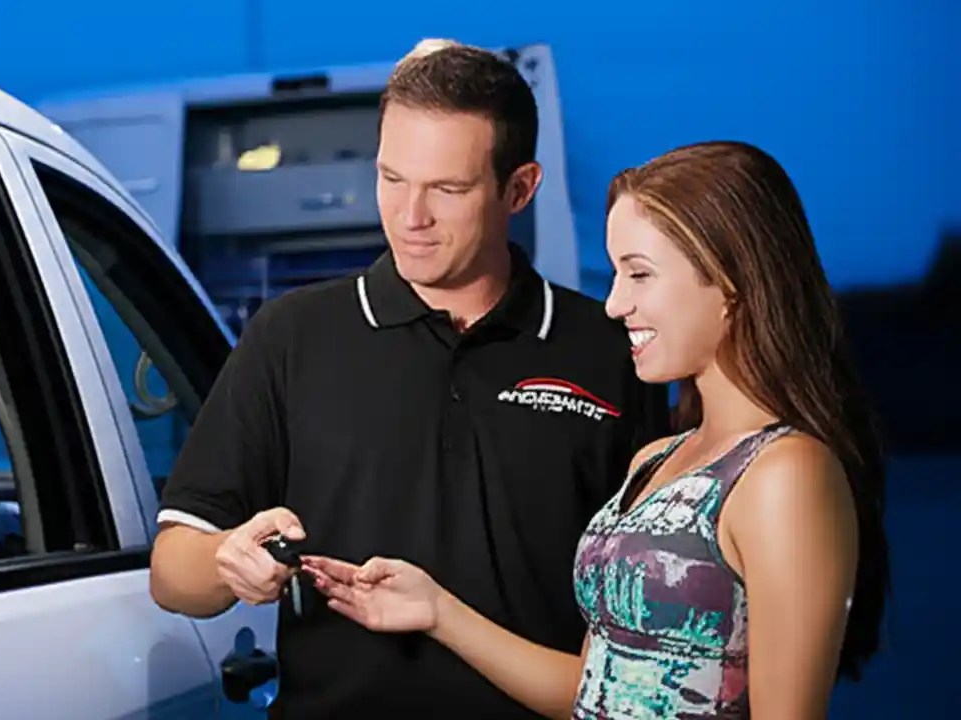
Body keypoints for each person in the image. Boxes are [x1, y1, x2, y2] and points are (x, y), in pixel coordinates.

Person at [149, 39, 670, 718]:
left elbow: (651, 611)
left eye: (447, 189)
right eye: (392, 179)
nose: (410, 216)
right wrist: (225, 558)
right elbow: (171, 573)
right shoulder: (291, 336)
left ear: (520, 188)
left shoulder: (606, 348)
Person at [303, 140, 891, 719]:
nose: (613, 305)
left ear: (730, 284)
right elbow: (594, 688)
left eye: (639, 275)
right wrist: (437, 610)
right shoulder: (654, 461)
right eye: (615, 273)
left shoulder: (785, 473)